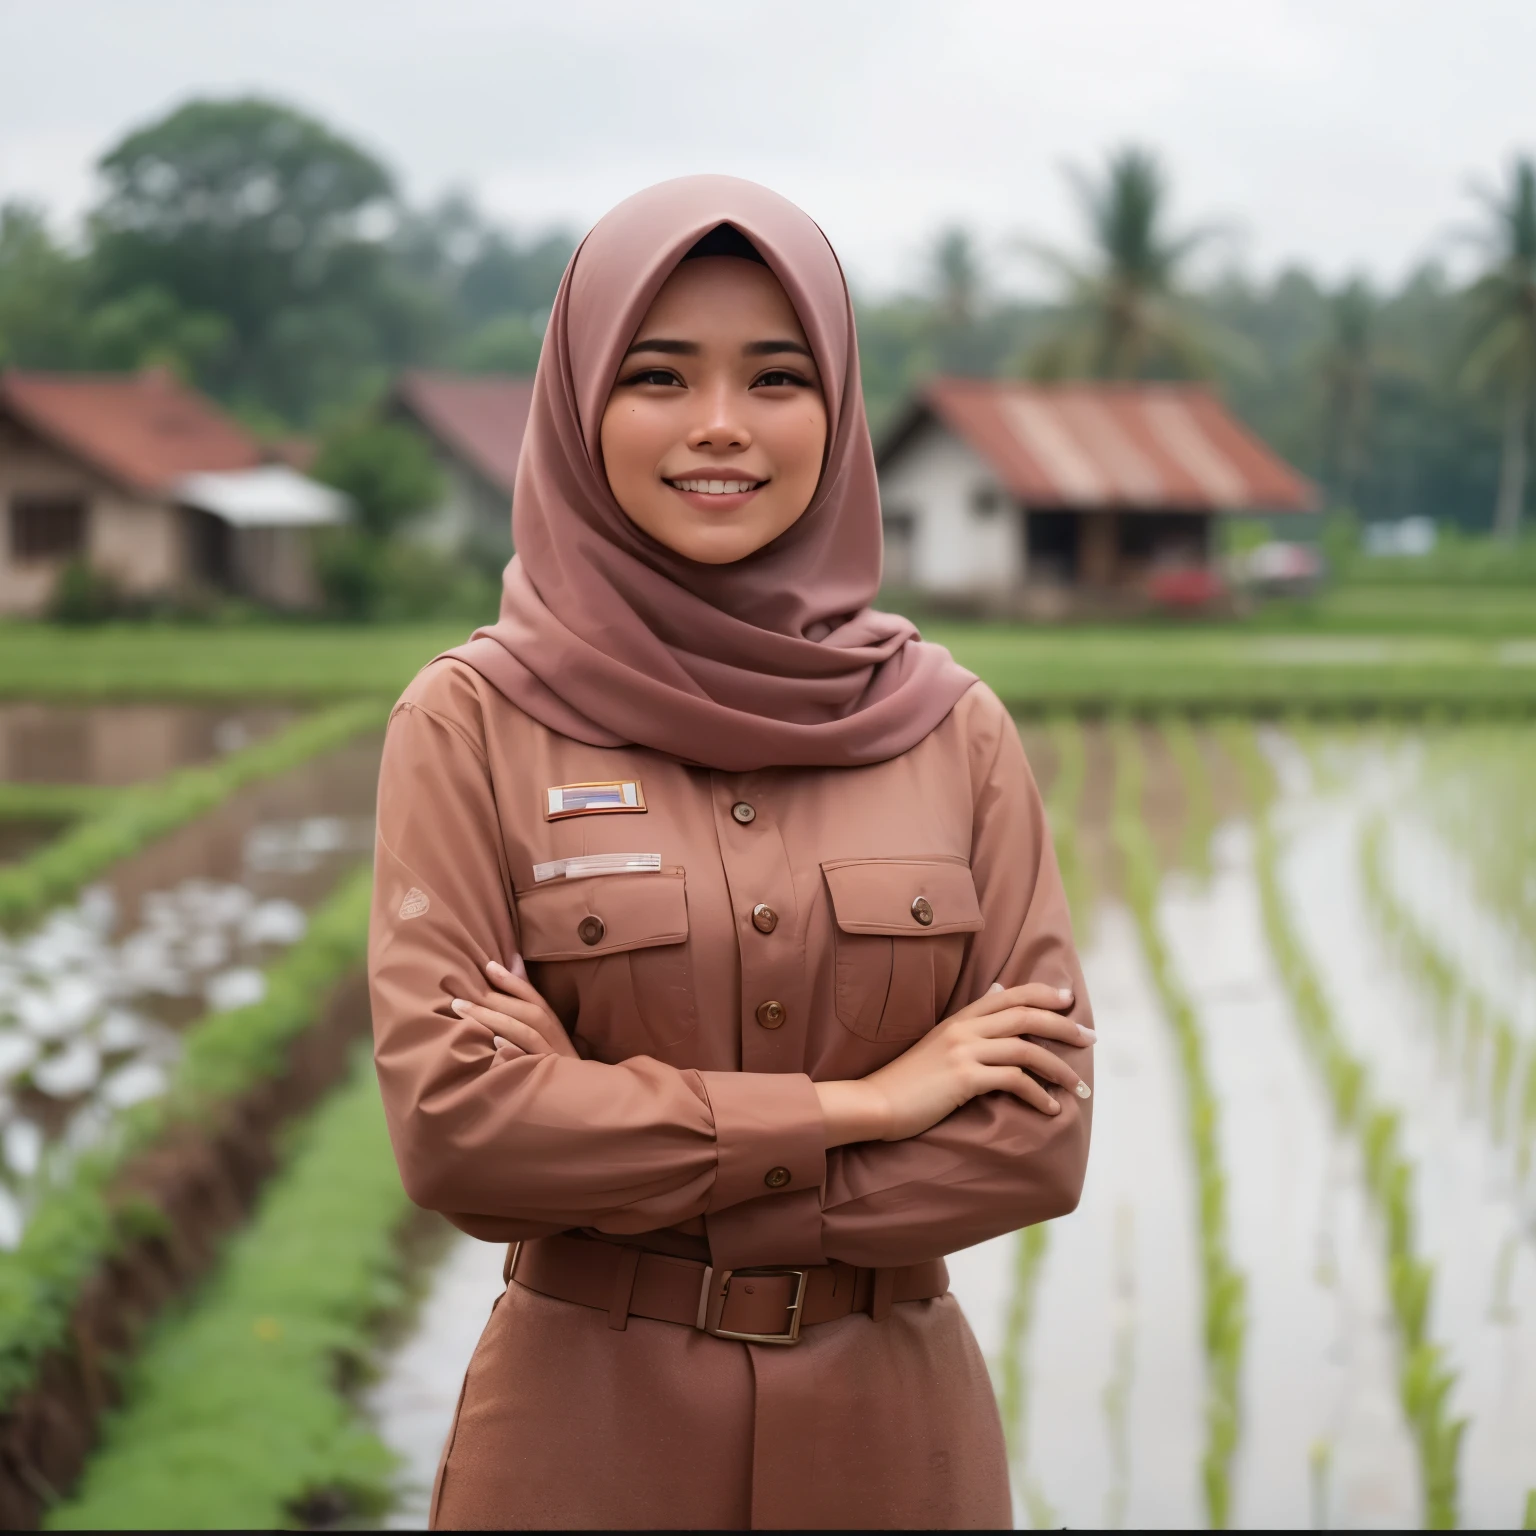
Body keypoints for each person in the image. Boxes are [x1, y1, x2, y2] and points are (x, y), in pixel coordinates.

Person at [368, 175, 1094, 1531]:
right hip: (580, 1443)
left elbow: (1029, 1145)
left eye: (775, 378)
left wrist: (605, 1139)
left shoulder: (953, 733)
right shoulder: (472, 723)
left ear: (840, 408)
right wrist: (864, 1109)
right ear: (580, 408)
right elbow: (462, 1137)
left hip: (895, 1451)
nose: (719, 427)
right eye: (657, 376)